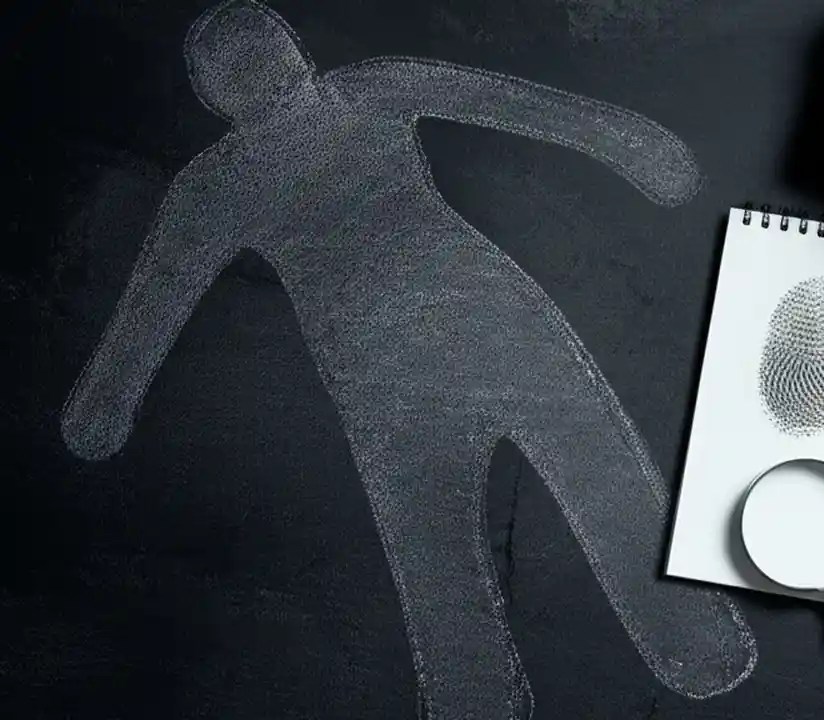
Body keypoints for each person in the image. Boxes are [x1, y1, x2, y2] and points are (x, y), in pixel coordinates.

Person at [60, 1, 755, 717]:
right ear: (291, 56)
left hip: (392, 374)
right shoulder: (358, 96)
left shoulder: (218, 182)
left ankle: (496, 698)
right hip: (474, 327)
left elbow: (151, 306)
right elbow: (521, 105)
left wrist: (103, 409)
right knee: (576, 485)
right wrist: (640, 148)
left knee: (444, 550)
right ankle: (696, 646)